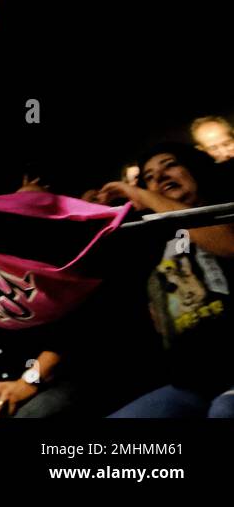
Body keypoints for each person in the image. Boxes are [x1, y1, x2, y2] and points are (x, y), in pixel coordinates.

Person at [98, 144, 234, 417]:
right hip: (190, 382)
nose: (159, 177)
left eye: (169, 164)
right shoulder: (152, 241)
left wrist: (139, 193)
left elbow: (230, 245)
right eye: (148, 176)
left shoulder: (225, 208)